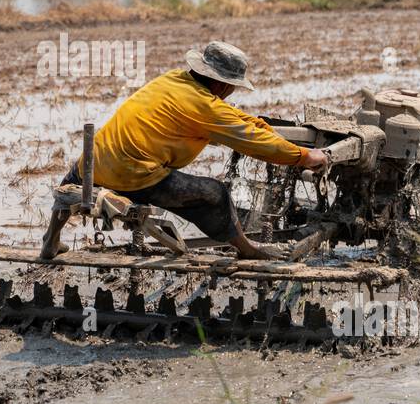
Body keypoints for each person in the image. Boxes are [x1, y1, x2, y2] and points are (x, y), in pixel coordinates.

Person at [39, 40, 327, 260]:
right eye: (232, 86)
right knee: (216, 194)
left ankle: (50, 241)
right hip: (135, 175)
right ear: (219, 83)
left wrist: (257, 123)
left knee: (73, 178)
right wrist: (305, 156)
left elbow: (233, 118)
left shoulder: (173, 80)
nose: (232, 92)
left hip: (97, 163)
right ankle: (248, 249)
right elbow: (255, 142)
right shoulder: (206, 107)